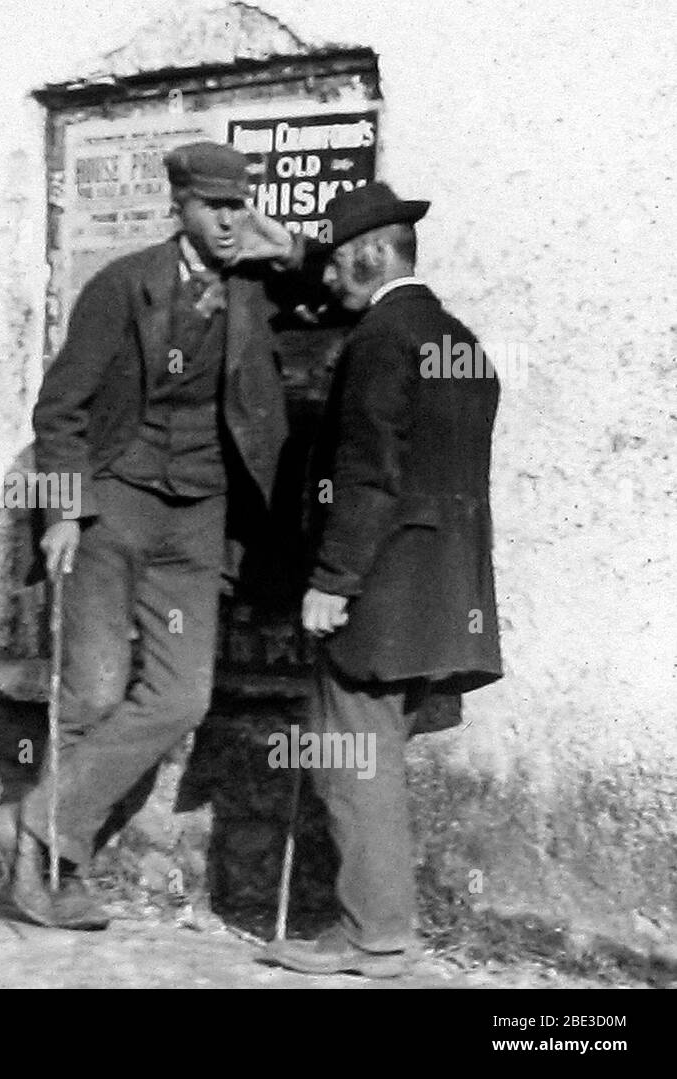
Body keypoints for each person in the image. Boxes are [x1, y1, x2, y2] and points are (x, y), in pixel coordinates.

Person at [17, 141, 303, 928]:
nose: (227, 220)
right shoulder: (122, 286)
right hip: (115, 503)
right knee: (94, 689)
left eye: (237, 205)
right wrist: (64, 509)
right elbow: (61, 409)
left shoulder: (257, 285)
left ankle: (41, 820)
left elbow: (346, 292)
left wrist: (290, 246)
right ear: (178, 207)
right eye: (213, 206)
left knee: (180, 695)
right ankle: (52, 867)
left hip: (201, 513)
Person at [264, 182, 503, 977]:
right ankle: (378, 923)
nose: (328, 280)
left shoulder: (379, 340)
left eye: (334, 262)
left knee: (351, 759)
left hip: (381, 588)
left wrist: (333, 578)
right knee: (380, 759)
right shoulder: (458, 339)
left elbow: (369, 473)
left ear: (372, 252)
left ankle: (375, 936)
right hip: (446, 592)